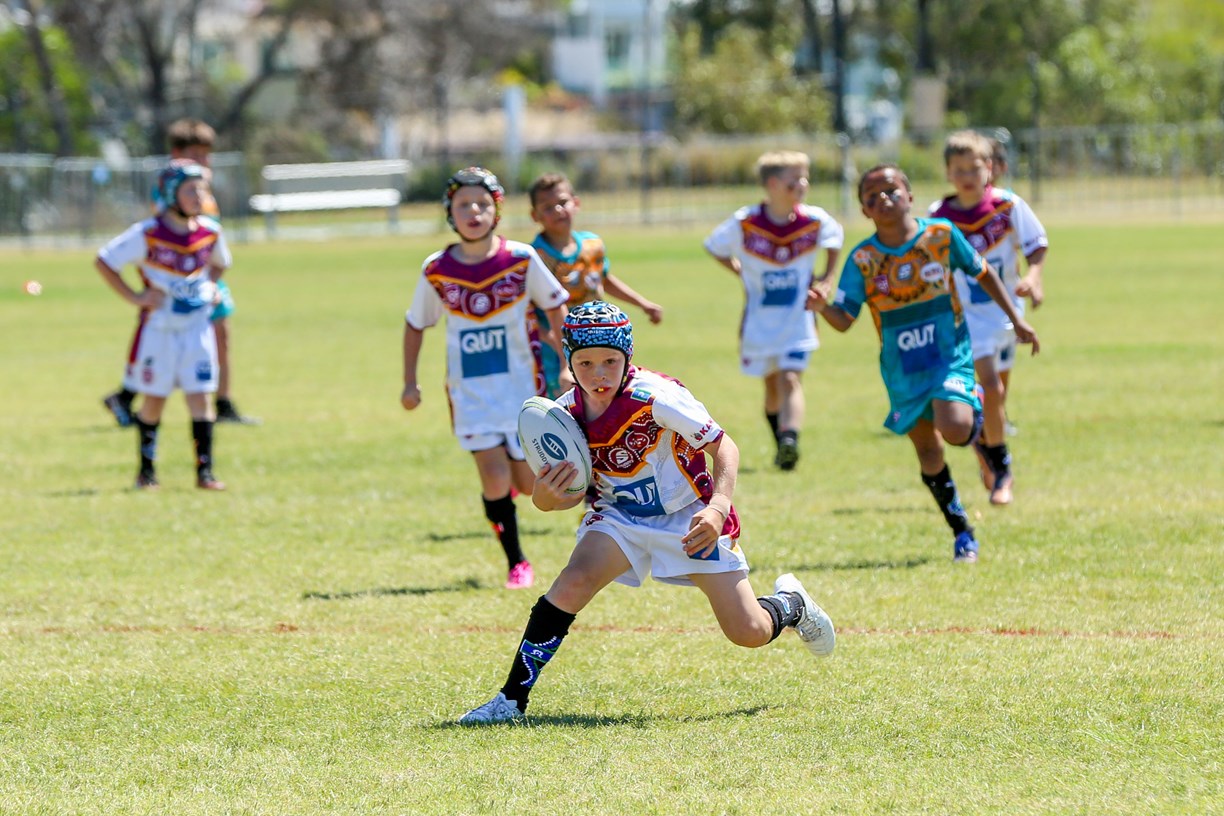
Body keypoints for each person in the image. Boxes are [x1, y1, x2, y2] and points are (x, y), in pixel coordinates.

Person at [458, 301, 835, 724]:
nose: (598, 374)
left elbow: (724, 447)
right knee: (572, 581)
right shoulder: (562, 417)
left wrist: (718, 508)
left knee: (748, 632)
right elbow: (556, 500)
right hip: (620, 517)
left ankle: (791, 604)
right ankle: (510, 701)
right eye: (585, 363)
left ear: (627, 356)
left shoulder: (657, 397)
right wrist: (544, 495)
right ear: (569, 361)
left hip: (690, 516)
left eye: (609, 361)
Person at [809, 164, 1040, 563]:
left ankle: (974, 411)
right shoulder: (863, 259)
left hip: (949, 354)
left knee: (955, 428)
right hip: (902, 369)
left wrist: (1016, 319)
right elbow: (845, 319)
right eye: (872, 196)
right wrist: (821, 307)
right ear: (864, 210)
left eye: (891, 190)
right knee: (929, 454)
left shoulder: (941, 235)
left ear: (910, 196)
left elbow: (983, 273)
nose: (883, 199)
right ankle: (961, 531)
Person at [401, 167, 570, 590]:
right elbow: (416, 323)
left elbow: (555, 305)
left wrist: (566, 363)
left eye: (482, 204)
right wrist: (410, 382)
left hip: (521, 390)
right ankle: (517, 562)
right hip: (471, 394)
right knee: (493, 477)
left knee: (529, 485)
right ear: (449, 213)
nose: (473, 212)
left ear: (496, 210)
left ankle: (506, 493)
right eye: (463, 205)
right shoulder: (437, 269)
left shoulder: (520, 260)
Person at [102, 118, 257, 428]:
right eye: (196, 154)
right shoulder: (170, 192)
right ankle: (132, 397)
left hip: (204, 275)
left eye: (206, 155)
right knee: (166, 340)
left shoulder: (201, 188)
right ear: (177, 154)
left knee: (220, 334)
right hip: (179, 281)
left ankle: (219, 401)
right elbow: (166, 236)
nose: (204, 161)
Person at [703, 150, 844, 471]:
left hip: (798, 319)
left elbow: (835, 238)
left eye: (805, 178)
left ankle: (791, 438)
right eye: (794, 180)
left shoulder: (814, 220)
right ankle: (781, 441)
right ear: (772, 185)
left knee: (790, 379)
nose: (802, 185)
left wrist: (826, 278)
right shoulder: (746, 222)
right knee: (771, 388)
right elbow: (713, 245)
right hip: (760, 322)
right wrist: (740, 271)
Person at [928, 131, 1048, 505]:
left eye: (974, 168)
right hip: (965, 318)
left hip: (1006, 313)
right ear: (948, 173)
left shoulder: (1008, 206)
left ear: (990, 168)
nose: (967, 176)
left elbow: (1036, 246)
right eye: (958, 169)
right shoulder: (938, 217)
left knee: (998, 394)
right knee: (992, 388)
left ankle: (985, 444)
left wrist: (1033, 278)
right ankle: (1002, 471)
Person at [95, 162, 231, 490]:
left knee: (201, 397)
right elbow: (105, 261)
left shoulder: (210, 231)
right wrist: (136, 297)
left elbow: (220, 264)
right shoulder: (148, 233)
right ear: (170, 194)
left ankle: (205, 472)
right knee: (154, 399)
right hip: (161, 329)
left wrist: (209, 287)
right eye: (190, 190)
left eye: (202, 189)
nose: (199, 196)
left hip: (197, 328)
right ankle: (147, 472)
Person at [528, 172, 664, 398]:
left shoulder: (592, 245)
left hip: (600, 342)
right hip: (555, 356)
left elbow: (604, 279)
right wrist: (559, 346)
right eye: (548, 207)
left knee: (603, 400)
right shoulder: (535, 257)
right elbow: (529, 313)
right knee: (565, 407)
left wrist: (643, 304)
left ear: (576, 203)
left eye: (563, 202)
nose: (558, 210)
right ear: (535, 215)